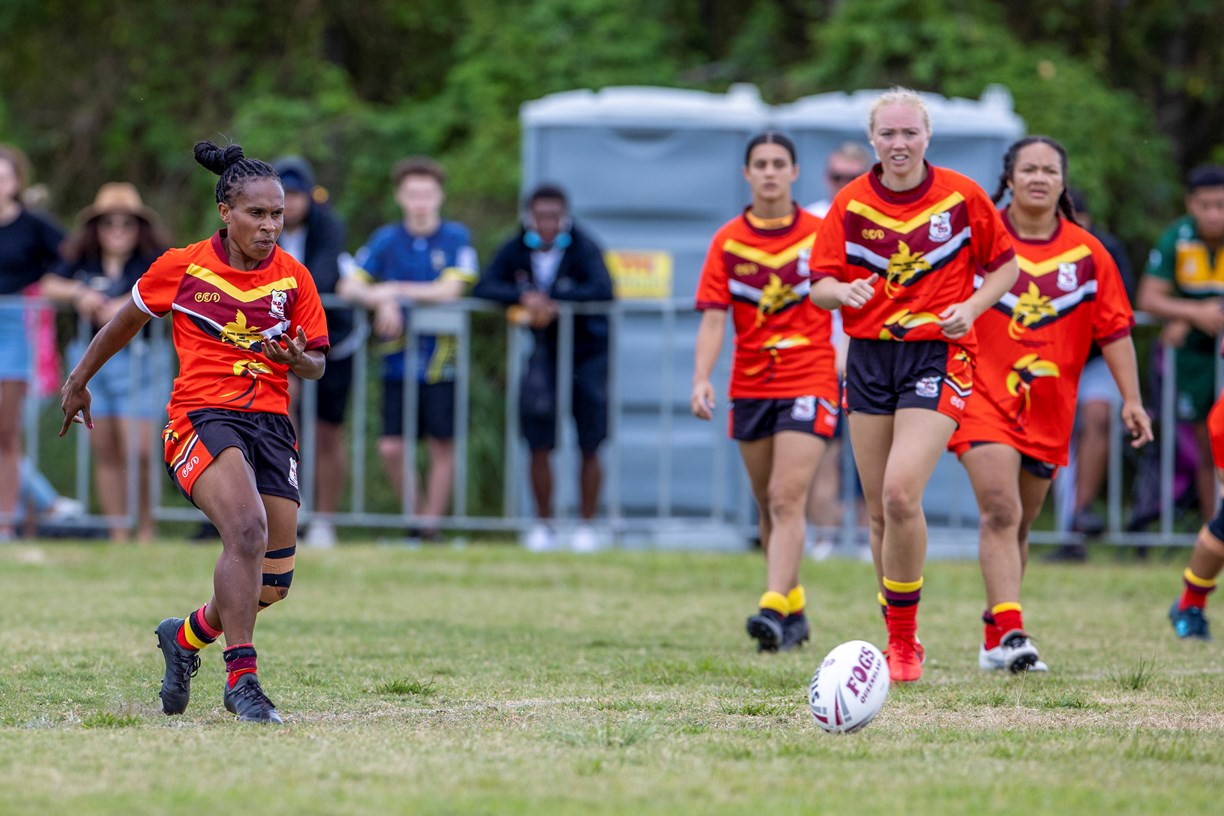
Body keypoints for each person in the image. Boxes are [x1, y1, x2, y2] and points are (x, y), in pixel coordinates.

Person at [59, 141, 329, 723]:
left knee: (273, 584)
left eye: (277, 213)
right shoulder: (182, 267)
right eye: (256, 214)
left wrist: (296, 358)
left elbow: (317, 363)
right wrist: (78, 380)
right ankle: (243, 682)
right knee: (247, 528)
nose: (269, 225)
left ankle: (184, 637)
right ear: (225, 213)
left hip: (272, 426)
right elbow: (122, 322)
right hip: (201, 418)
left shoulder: (295, 278)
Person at [807, 87, 1021, 683]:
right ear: (873, 139)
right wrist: (841, 293)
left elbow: (1005, 265)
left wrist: (973, 307)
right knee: (879, 512)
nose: (899, 144)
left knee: (902, 493)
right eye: (888, 134)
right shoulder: (850, 204)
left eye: (909, 133)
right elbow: (818, 283)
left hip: (938, 355)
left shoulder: (963, 196)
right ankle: (903, 638)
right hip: (871, 359)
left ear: (927, 137)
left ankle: (901, 647)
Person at [948, 136, 1153, 672]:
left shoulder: (1088, 253)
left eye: (1049, 170)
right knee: (999, 509)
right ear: (1009, 179)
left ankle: (995, 632)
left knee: (1019, 523)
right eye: (1028, 169)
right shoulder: (978, 241)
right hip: (981, 396)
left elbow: (1115, 331)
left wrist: (1132, 400)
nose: (1039, 177)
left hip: (1048, 410)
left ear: (1062, 183)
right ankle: (1015, 633)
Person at [691, 132, 839, 652]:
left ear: (795, 172)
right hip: (751, 382)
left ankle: (771, 607)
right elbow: (713, 320)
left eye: (780, 163)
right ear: (747, 175)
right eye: (761, 164)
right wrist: (701, 377)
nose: (771, 172)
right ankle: (794, 611)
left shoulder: (823, 233)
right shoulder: (728, 240)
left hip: (810, 376)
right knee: (765, 503)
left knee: (785, 496)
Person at [339, 157, 476, 542]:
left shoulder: (455, 237)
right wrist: (378, 300)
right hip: (397, 362)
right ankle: (417, 522)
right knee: (391, 447)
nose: (420, 201)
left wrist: (392, 291)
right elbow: (349, 285)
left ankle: (429, 528)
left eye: (427, 194)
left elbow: (451, 290)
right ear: (400, 196)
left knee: (441, 444)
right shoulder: (386, 238)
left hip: (441, 363)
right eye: (413, 193)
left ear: (439, 196)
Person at [473, 183, 614, 553]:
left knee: (590, 440)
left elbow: (603, 289)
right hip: (543, 358)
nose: (548, 224)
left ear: (564, 217)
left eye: (554, 216)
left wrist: (554, 301)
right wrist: (524, 298)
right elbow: (485, 286)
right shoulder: (516, 246)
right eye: (541, 216)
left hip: (587, 355)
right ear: (529, 217)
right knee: (538, 439)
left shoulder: (584, 246)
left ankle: (586, 524)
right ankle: (544, 524)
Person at [41, 182, 171, 542]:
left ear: (139, 227)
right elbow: (49, 284)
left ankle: (146, 527)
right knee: (106, 447)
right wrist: (79, 293)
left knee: (141, 448)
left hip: (141, 361)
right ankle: (117, 531)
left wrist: (127, 309)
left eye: (126, 223)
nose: (117, 231)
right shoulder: (81, 259)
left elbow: (176, 291)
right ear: (95, 228)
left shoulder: (155, 260)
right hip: (94, 361)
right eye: (108, 224)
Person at [1045, 188, 1139, 561]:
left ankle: (1078, 517)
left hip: (1096, 357)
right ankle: (1060, 524)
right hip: (1049, 359)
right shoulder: (1035, 247)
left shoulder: (1105, 249)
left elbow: (1120, 309)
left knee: (1097, 416)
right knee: (1053, 438)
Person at [272, 157, 356, 549]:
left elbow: (319, 278)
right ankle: (290, 510)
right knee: (282, 425)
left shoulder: (329, 225)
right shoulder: (262, 224)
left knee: (327, 432)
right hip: (279, 341)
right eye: (284, 196)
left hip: (331, 342)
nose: (291, 204)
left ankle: (325, 518)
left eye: (297, 195)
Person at [1136, 165, 1224, 533]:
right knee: (1208, 445)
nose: (1213, 215)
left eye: (1221, 205)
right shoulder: (1177, 237)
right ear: (1190, 204)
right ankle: (1214, 535)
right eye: (1205, 205)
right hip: (1193, 361)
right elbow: (1148, 297)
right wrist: (1192, 313)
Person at [803, 141, 873, 560]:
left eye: (852, 178)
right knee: (822, 447)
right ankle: (825, 535)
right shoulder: (810, 218)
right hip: (816, 350)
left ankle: (867, 535)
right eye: (836, 177)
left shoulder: (878, 218)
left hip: (869, 348)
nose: (842, 185)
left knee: (870, 447)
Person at [0, 143, 63, 540]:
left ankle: (6, 520)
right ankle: (44, 502)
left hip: (15, 329)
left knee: (6, 431)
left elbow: (67, 254)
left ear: (15, 183)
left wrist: (41, 288)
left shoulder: (33, 225)